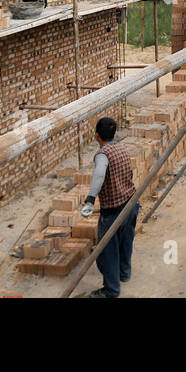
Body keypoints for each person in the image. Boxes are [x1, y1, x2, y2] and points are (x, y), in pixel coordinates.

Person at [81, 116, 137, 298]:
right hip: (131, 203)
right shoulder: (121, 148)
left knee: (108, 250)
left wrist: (90, 199)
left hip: (113, 211)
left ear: (97, 135)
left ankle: (111, 290)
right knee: (126, 242)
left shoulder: (102, 154)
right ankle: (124, 274)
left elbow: (99, 174)